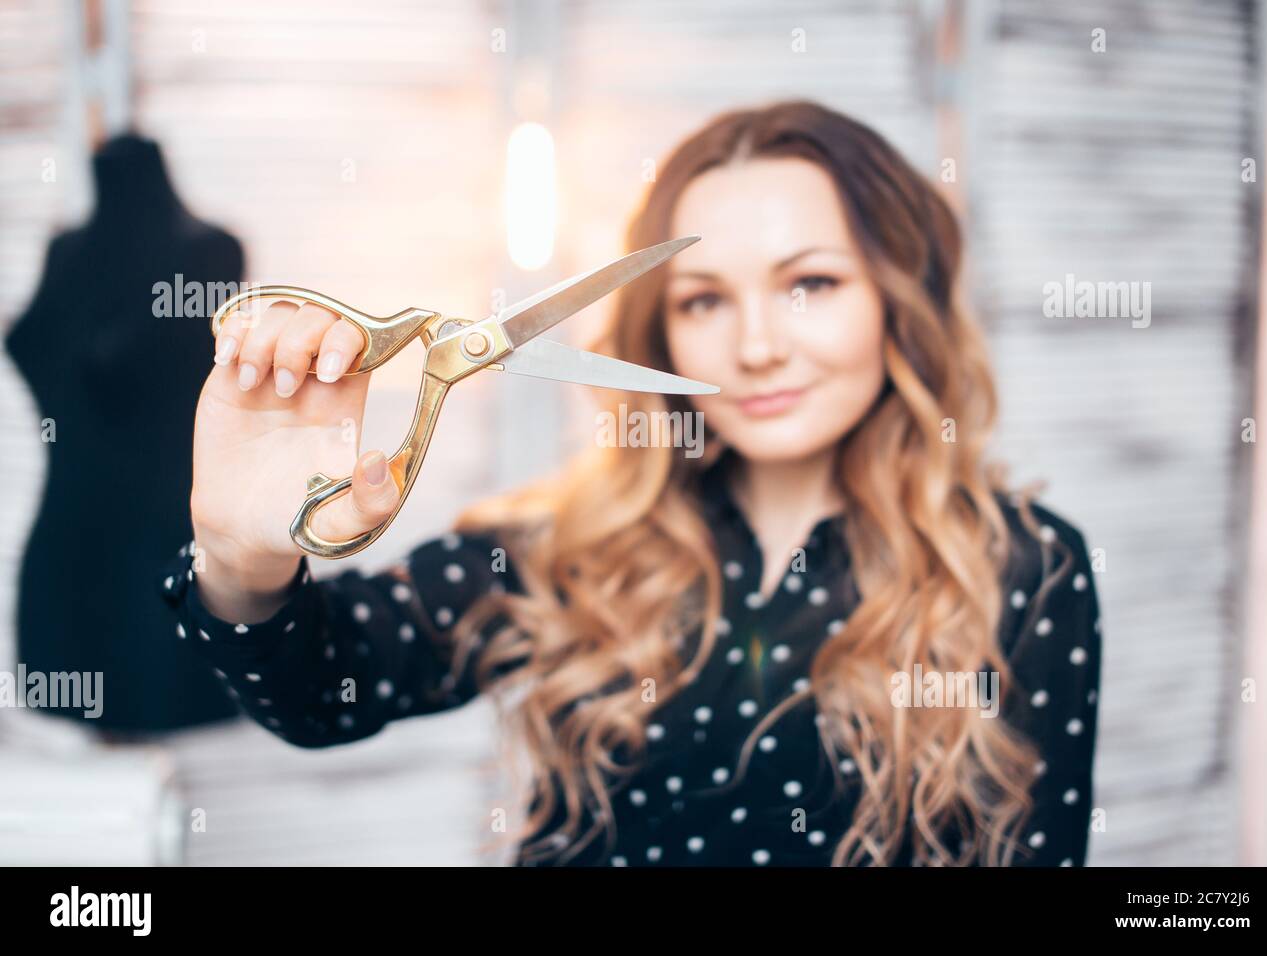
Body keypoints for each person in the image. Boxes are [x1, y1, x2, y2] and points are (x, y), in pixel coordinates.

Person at [158, 100, 1102, 867]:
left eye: (809, 283)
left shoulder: (1025, 569)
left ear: (897, 299)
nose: (759, 345)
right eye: (703, 299)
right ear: (660, 331)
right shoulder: (561, 549)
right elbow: (325, 693)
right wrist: (243, 560)